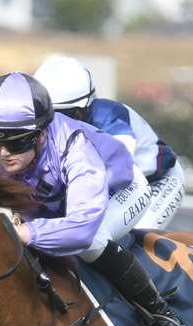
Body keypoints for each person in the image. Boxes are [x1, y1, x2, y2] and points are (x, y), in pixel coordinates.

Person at [0, 72, 188, 326]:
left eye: (16, 143)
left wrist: (26, 232)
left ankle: (162, 315)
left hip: (121, 187)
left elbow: (81, 229)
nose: (2, 153)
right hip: (61, 196)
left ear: (40, 135)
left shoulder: (75, 147)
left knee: (92, 243)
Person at [33, 55, 184, 230]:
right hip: (111, 184)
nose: (56, 124)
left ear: (85, 108)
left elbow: (119, 168)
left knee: (116, 234)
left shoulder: (109, 116)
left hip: (156, 180)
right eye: (48, 116)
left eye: (64, 115)